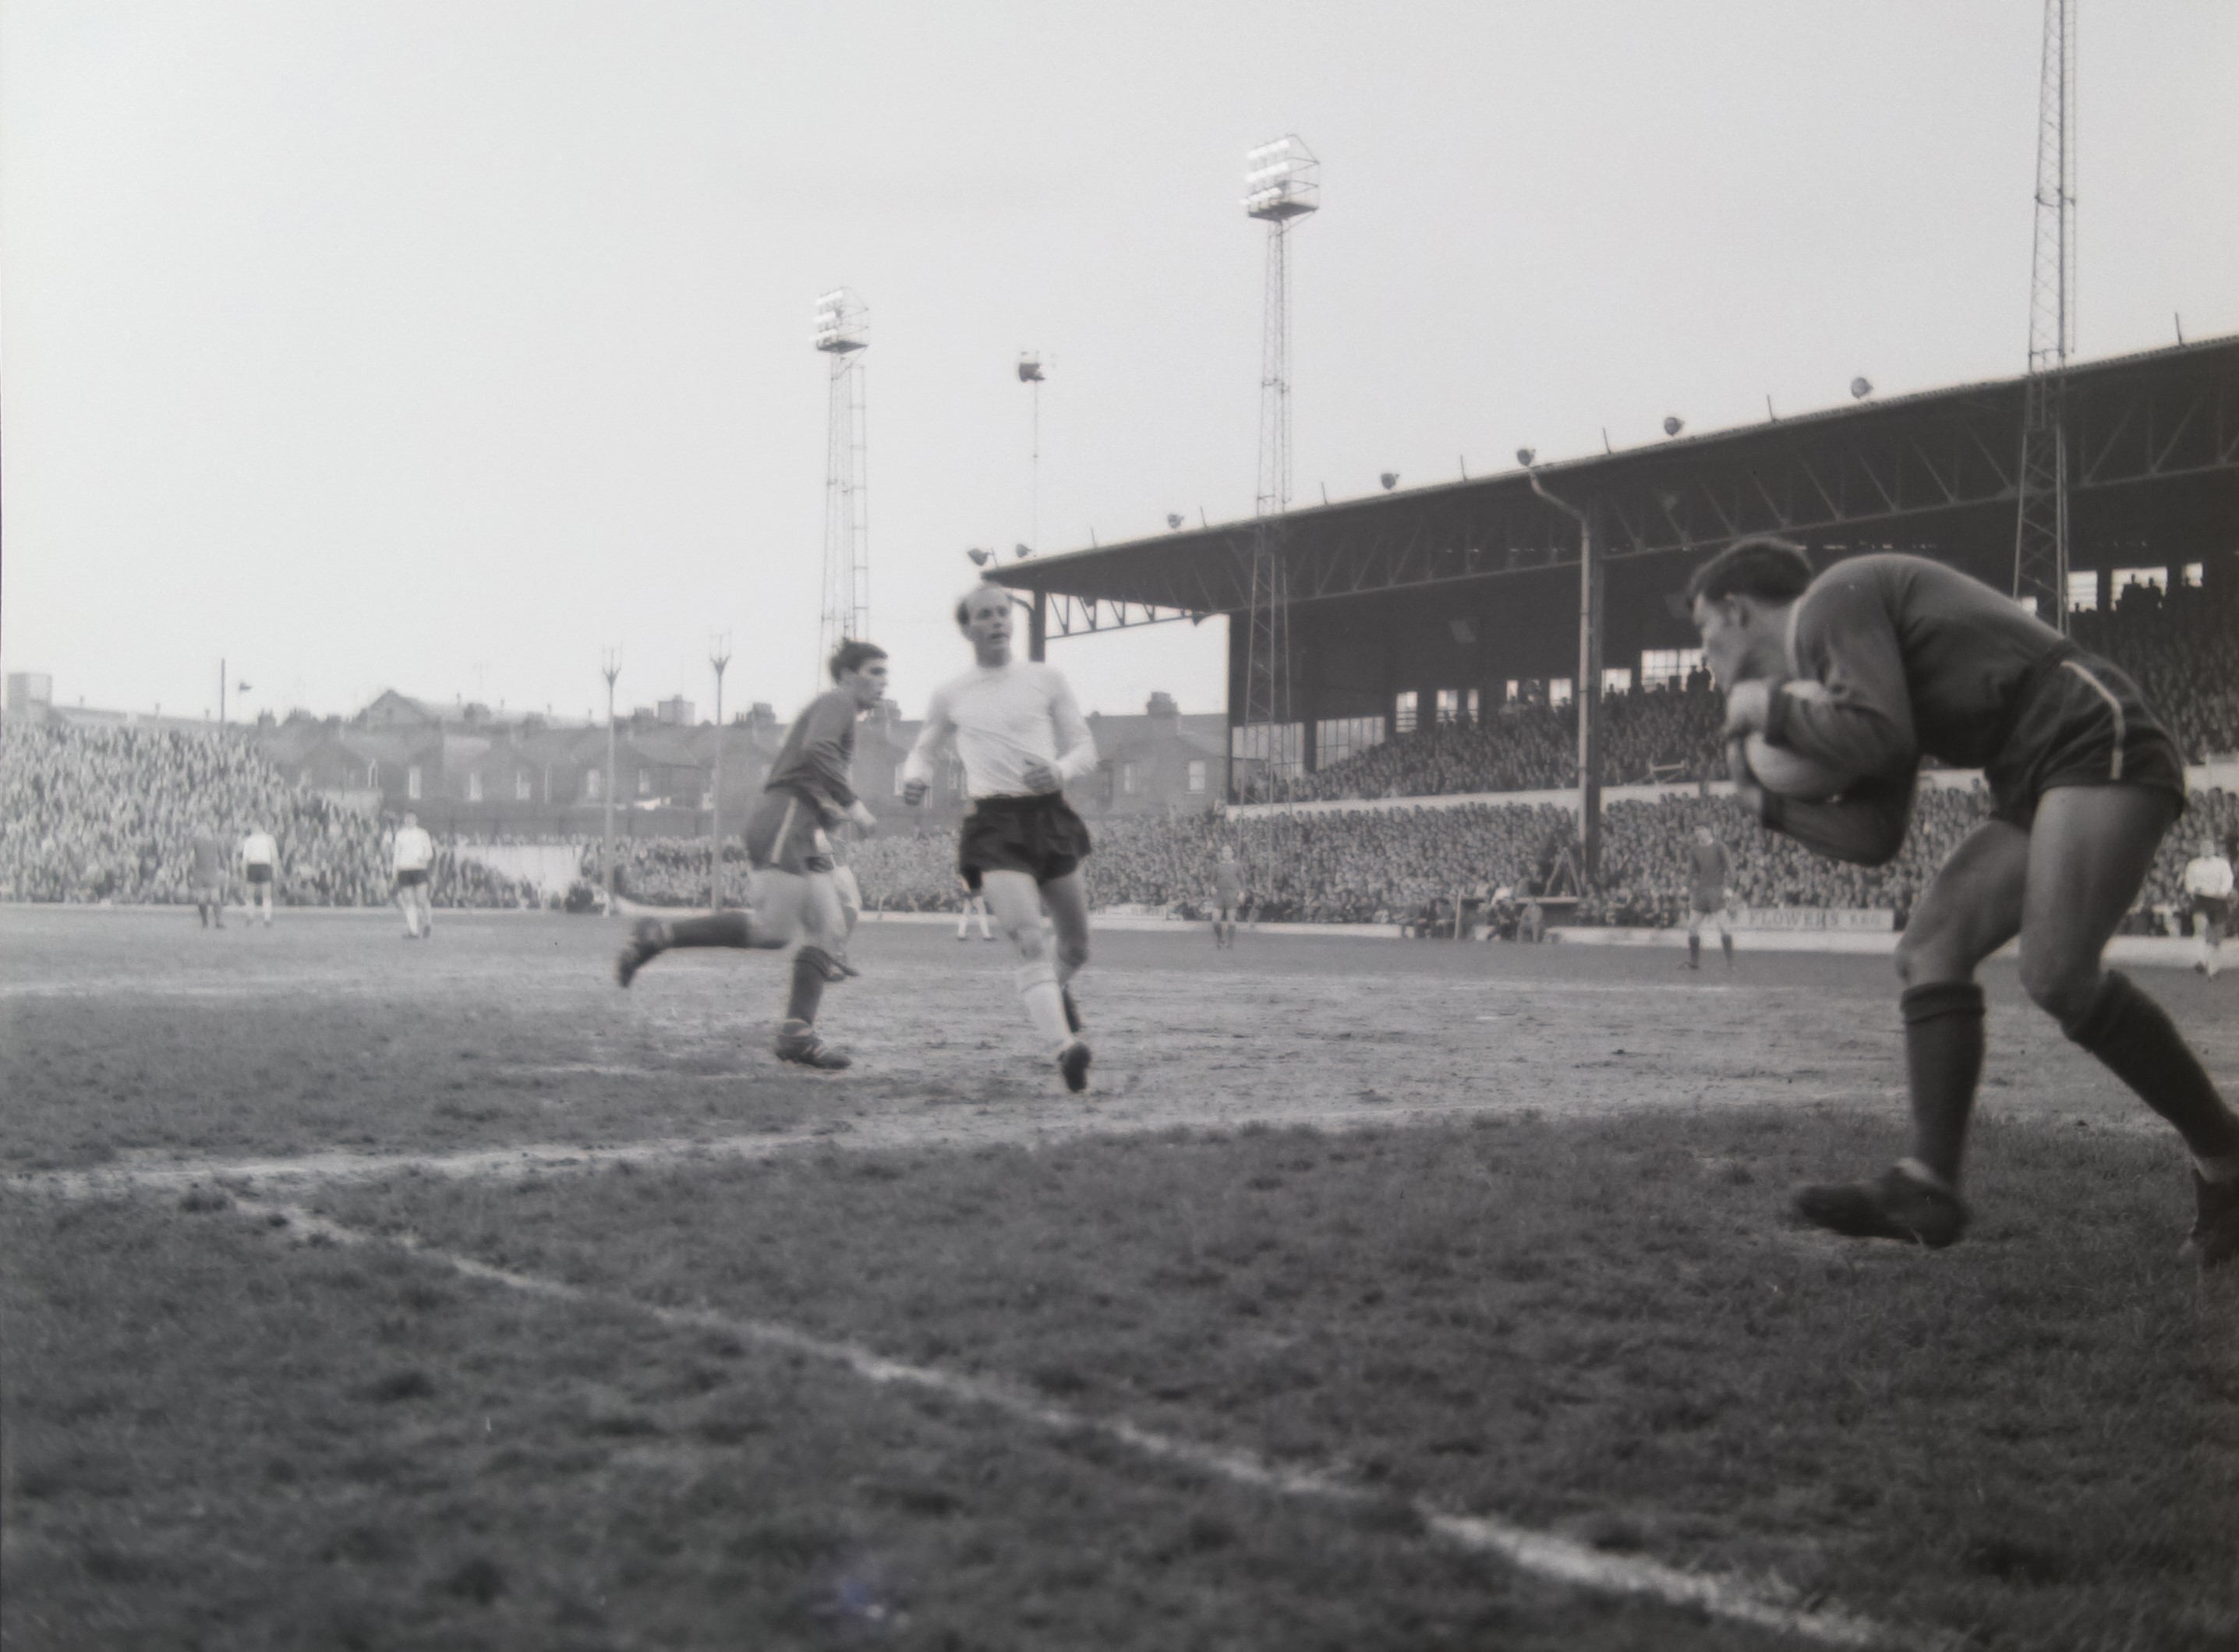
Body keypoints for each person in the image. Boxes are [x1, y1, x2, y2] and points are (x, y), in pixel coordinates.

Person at [1691, 537, 2239, 1268]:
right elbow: (1877, 836)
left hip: (2087, 724)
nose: (1705, 660)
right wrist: (1769, 808)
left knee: (2056, 972)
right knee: (1932, 947)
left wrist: (1769, 706)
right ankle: (1928, 1186)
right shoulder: (1835, 672)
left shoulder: (1831, 601)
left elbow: (1882, 739)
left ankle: (2227, 1160)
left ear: (1736, 610)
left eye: (1704, 633)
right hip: (2030, 767)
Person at [614, 642, 887, 1070]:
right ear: (849, 676)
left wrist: (830, 810)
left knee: (830, 927)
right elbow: (816, 750)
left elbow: (808, 761)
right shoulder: (838, 702)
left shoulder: (840, 711)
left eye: (884, 673)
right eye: (875, 672)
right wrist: (852, 804)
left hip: (803, 825)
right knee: (772, 930)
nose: (883, 682)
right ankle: (658, 935)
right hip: (785, 816)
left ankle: (797, 1034)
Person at [901, 582, 1098, 1092]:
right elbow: (923, 750)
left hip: (1049, 814)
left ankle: (1052, 993)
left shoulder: (1046, 678)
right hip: (994, 824)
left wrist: (1059, 769)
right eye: (984, 615)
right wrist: (915, 778)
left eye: (1002, 612)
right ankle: (1065, 1049)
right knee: (1029, 937)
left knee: (1076, 947)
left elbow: (1085, 748)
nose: (996, 621)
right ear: (967, 629)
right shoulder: (952, 693)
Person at [2184, 834, 2233, 979]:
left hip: (2218, 901)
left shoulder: (2222, 864)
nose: (2207, 849)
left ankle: (2213, 969)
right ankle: (2201, 960)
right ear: (2200, 849)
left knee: (2216, 937)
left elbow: (2228, 880)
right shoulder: (2193, 865)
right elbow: (2189, 884)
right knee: (2200, 929)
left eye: (2209, 846)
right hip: (2201, 900)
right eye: (2204, 847)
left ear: (2214, 848)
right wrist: (2197, 890)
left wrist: (2222, 892)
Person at [1684, 825, 1734, 970]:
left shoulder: (1720, 847)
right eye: (1696, 830)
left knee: (1724, 927)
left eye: (1701, 829)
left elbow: (1730, 868)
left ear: (1708, 831)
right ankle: (1694, 962)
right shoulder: (1694, 849)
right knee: (1692, 927)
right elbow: (1691, 870)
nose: (1698, 832)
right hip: (1701, 891)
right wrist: (1686, 886)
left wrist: (1729, 887)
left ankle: (1730, 963)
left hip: (1716, 890)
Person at [392, 812, 436, 938]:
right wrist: (394, 872)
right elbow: (397, 854)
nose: (409, 820)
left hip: (419, 869)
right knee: (408, 901)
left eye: (411, 818)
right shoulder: (400, 835)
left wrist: (423, 858)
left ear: (416, 820)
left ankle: (428, 923)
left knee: (422, 899)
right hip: (404, 869)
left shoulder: (422, 834)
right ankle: (413, 930)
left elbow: (429, 852)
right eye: (407, 818)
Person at [239, 822, 278, 928]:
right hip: (257, 865)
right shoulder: (250, 840)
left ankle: (265, 918)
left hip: (262, 865)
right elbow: (245, 859)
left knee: (264, 894)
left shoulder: (267, 839)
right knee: (252, 894)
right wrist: (244, 872)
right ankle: (253, 917)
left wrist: (275, 870)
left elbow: (274, 856)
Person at [189, 830, 227, 929]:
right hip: (208, 873)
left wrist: (190, 871)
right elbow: (222, 858)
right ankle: (215, 921)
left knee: (205, 898)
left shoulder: (196, 841)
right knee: (212, 897)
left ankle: (207, 921)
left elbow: (189, 857)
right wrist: (224, 868)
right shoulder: (214, 841)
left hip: (203, 873)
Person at [1210, 846, 1246, 949]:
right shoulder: (1217, 867)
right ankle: (1220, 938)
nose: (1226, 854)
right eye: (1224, 852)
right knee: (1215, 920)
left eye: (1228, 851)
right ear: (1222, 854)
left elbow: (1243, 882)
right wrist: (1212, 888)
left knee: (1231, 919)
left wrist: (1242, 893)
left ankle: (1230, 942)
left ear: (1232, 853)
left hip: (1232, 894)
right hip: (1220, 895)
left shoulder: (1237, 866)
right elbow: (1212, 882)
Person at [955, 874, 996, 942]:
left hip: (968, 893)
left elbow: (962, 880)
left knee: (966, 913)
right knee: (982, 913)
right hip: (975, 893)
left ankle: (961, 934)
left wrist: (967, 891)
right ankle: (986, 935)